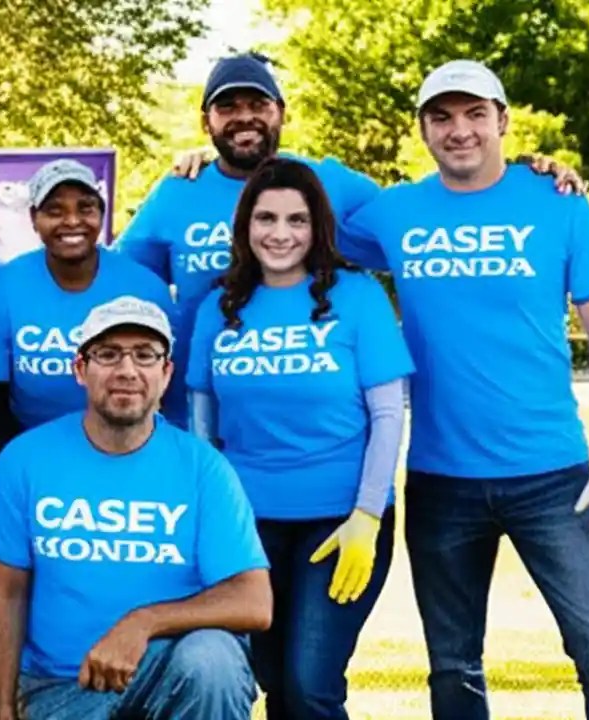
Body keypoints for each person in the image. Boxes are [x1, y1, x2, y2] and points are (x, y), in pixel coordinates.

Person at [342, 60, 589, 719]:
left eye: (476, 113)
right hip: (439, 482)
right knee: (453, 671)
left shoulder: (558, 202)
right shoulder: (392, 214)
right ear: (422, 128)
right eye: (442, 116)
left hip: (555, 478)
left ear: (503, 121)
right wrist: (216, 163)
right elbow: (287, 209)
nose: (460, 130)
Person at [119, 53, 585, 431]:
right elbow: (118, 284)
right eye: (228, 108)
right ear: (207, 122)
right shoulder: (178, 191)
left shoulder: (329, 183)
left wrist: (524, 177)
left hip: (324, 427)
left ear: (281, 112)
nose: (244, 118)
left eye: (258, 105)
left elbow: (429, 214)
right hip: (206, 417)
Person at [0, 295, 272, 720]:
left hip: (169, 675)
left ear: (166, 374)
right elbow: (4, 593)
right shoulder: (26, 460)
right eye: (108, 354)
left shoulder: (203, 468)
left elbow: (255, 601)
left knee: (212, 659)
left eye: (145, 356)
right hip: (61, 686)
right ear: (80, 369)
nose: (127, 371)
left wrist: (143, 622)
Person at [186, 158, 414, 718]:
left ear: (318, 228)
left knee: (311, 684)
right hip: (248, 527)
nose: (280, 233)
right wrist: (210, 513)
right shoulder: (219, 307)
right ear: (245, 226)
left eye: (297, 219)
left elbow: (388, 414)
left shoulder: (357, 296)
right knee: (275, 685)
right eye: (266, 218)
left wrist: (366, 515)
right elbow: (200, 421)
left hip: (339, 524)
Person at [0, 159, 173, 487]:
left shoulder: (145, 288)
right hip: (17, 443)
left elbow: (166, 389)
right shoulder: (5, 284)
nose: (72, 221)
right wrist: (30, 464)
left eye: (85, 207)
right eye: (55, 210)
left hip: (120, 450)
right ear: (34, 218)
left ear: (101, 214)